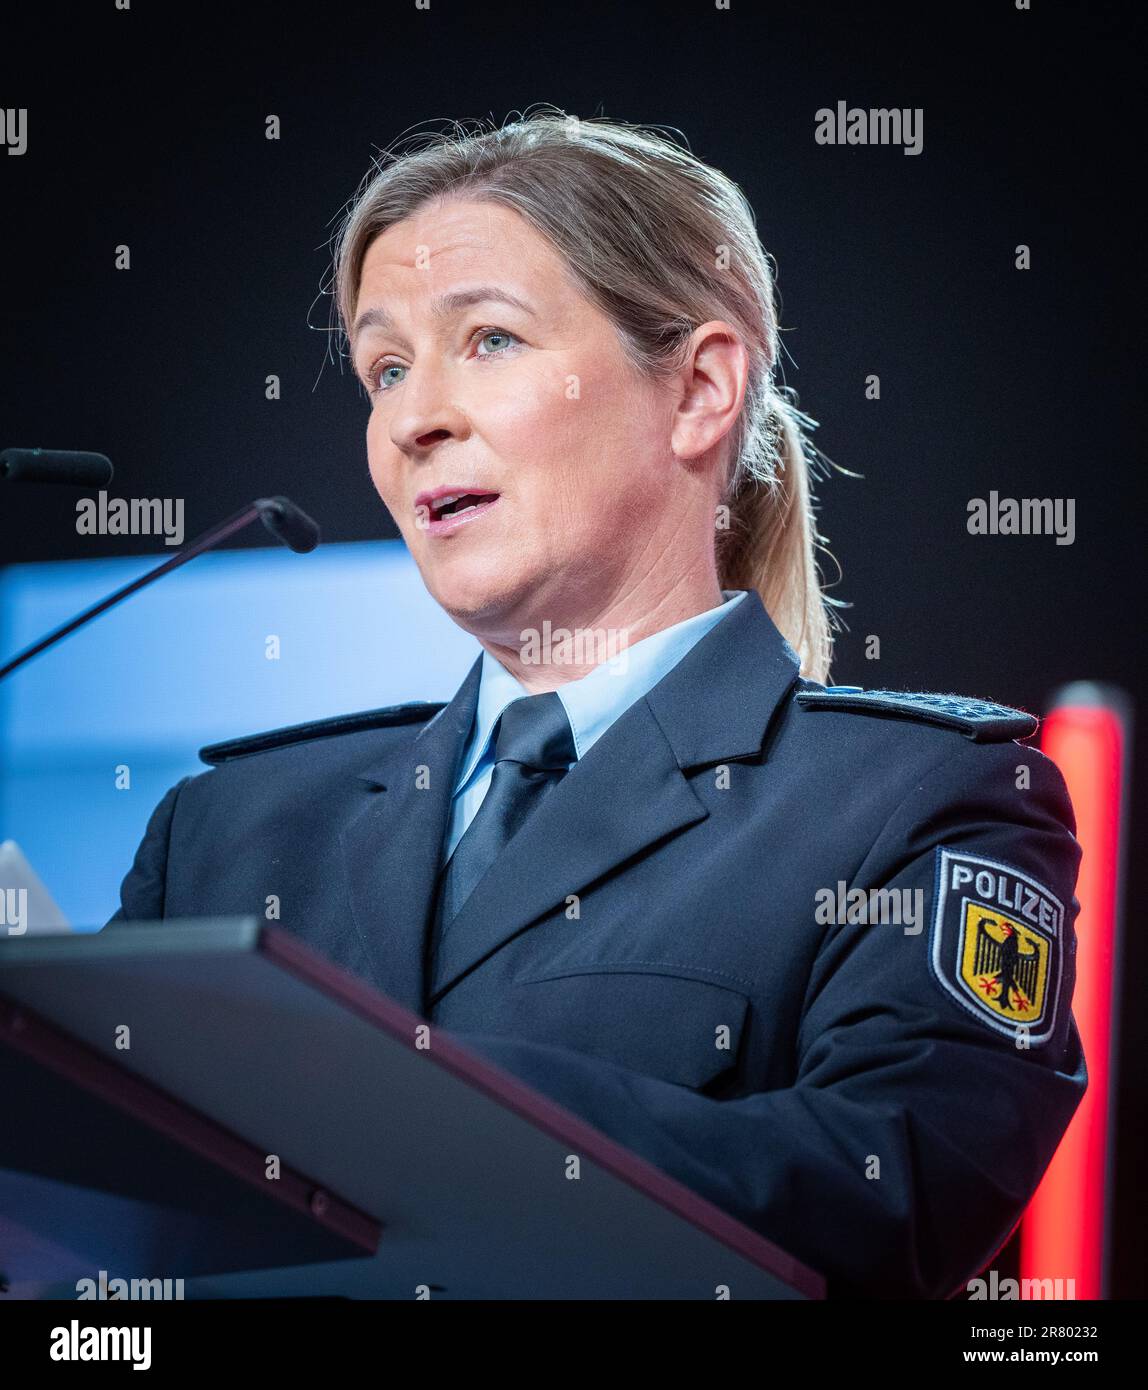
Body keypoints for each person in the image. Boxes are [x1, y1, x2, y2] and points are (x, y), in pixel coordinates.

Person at [109, 109, 1087, 1299]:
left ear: (697, 390)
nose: (413, 418)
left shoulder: (916, 802)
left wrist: (375, 1104)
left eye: (489, 340)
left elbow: (884, 1189)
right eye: (386, 367)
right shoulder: (223, 829)